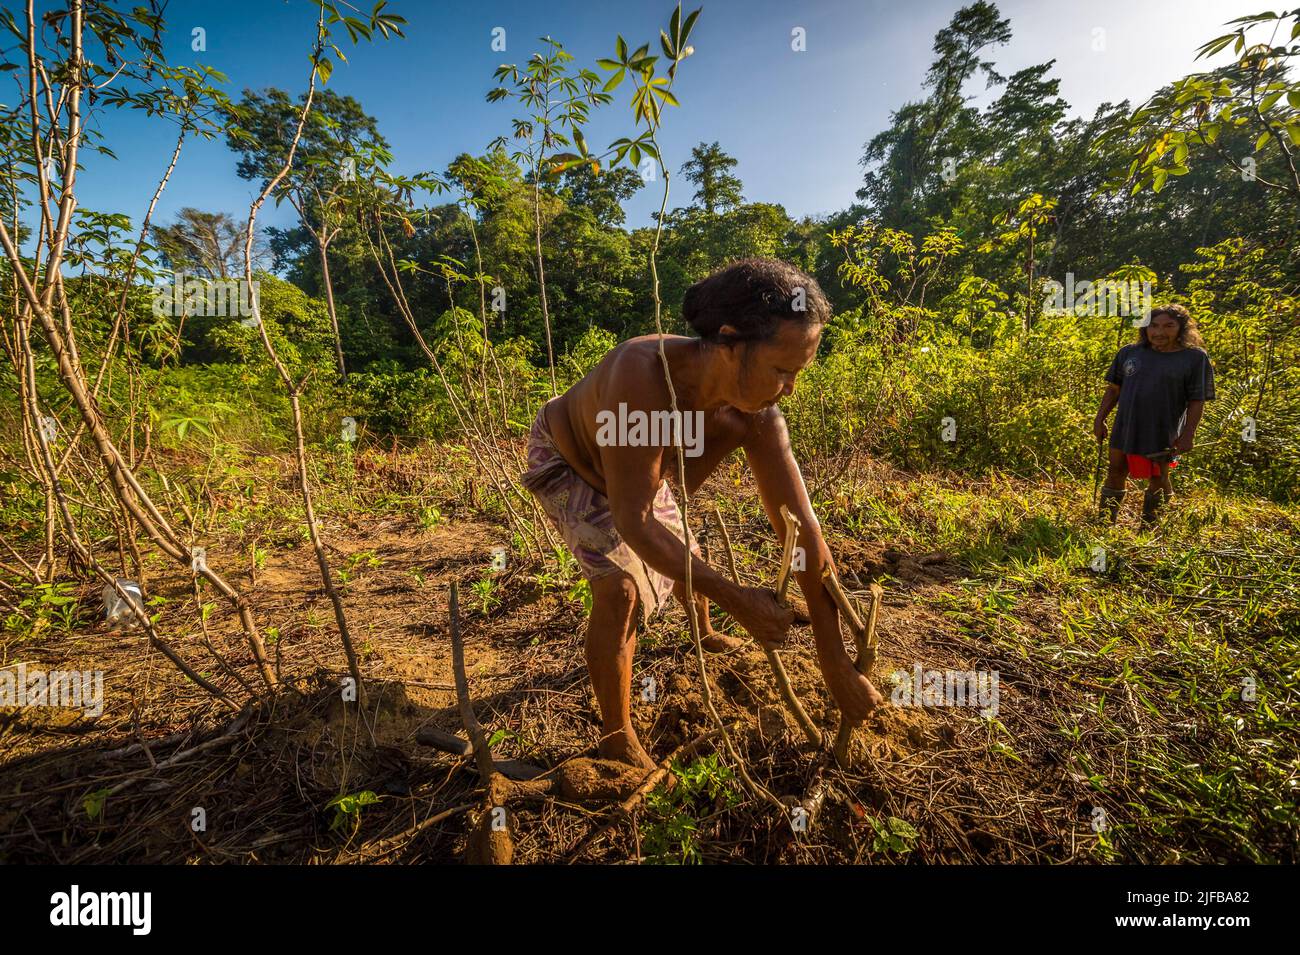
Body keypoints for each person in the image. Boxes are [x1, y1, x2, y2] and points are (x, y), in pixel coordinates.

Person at [520, 257, 883, 770]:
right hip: (570, 460)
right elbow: (635, 520)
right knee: (621, 588)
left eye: (797, 374)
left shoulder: (755, 415)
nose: (790, 389)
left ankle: (705, 631)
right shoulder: (642, 375)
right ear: (731, 342)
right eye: (782, 371)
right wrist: (739, 598)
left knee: (685, 551)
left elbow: (800, 529)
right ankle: (616, 736)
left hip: (637, 464)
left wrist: (834, 661)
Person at [1093, 303, 1215, 525]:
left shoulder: (1194, 358)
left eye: (1169, 326)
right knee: (1116, 470)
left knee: (1158, 477)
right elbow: (1114, 389)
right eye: (1153, 326)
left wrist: (1188, 434)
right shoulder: (1129, 353)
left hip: (1162, 428)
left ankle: (1151, 528)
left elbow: (1196, 400)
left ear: (1181, 328)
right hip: (1126, 425)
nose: (1159, 332)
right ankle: (1104, 523)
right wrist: (1099, 419)